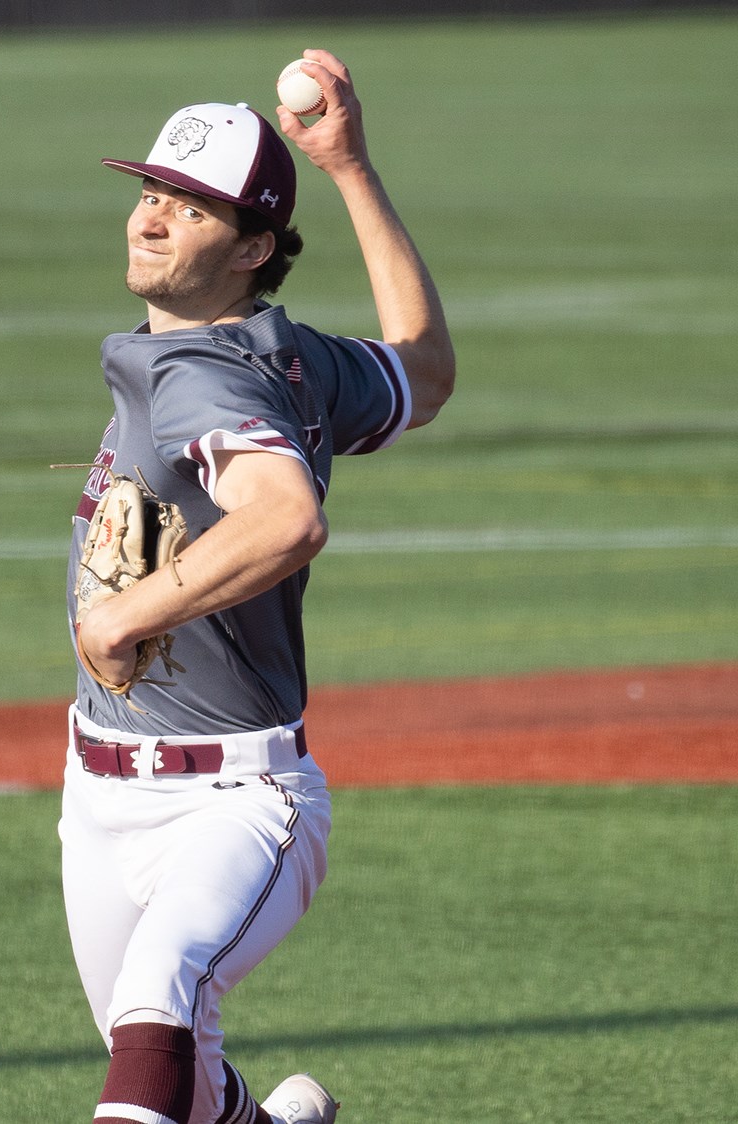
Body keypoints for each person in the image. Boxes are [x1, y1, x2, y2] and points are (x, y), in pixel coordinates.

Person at [59, 49, 455, 1124]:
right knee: (182, 1080)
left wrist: (130, 609)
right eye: (149, 192)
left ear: (250, 249)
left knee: (157, 1006)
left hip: (235, 803)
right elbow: (421, 371)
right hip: (98, 797)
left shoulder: (201, 376)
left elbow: (286, 516)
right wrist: (349, 165)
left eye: (185, 208)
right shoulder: (291, 357)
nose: (147, 218)